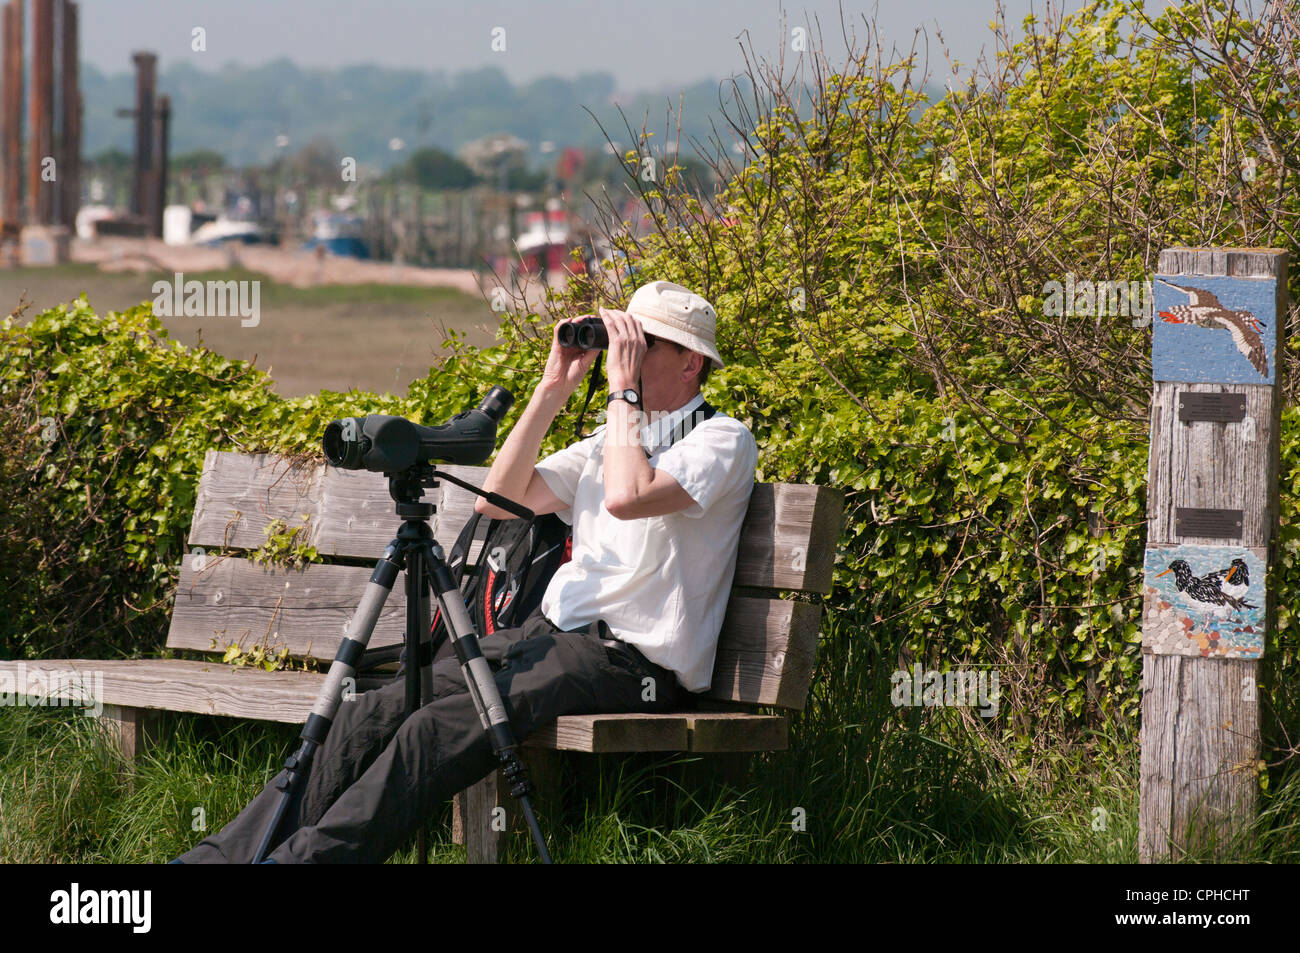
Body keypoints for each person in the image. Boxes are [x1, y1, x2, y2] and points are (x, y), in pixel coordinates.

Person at [172, 280, 758, 863]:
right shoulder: (611, 438)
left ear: (691, 363)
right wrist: (551, 389)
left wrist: (622, 393)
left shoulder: (722, 441)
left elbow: (630, 496)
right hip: (548, 640)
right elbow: (498, 500)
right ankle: (218, 860)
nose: (625, 353)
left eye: (644, 342)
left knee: (435, 730)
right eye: (623, 340)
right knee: (371, 712)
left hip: (629, 663)